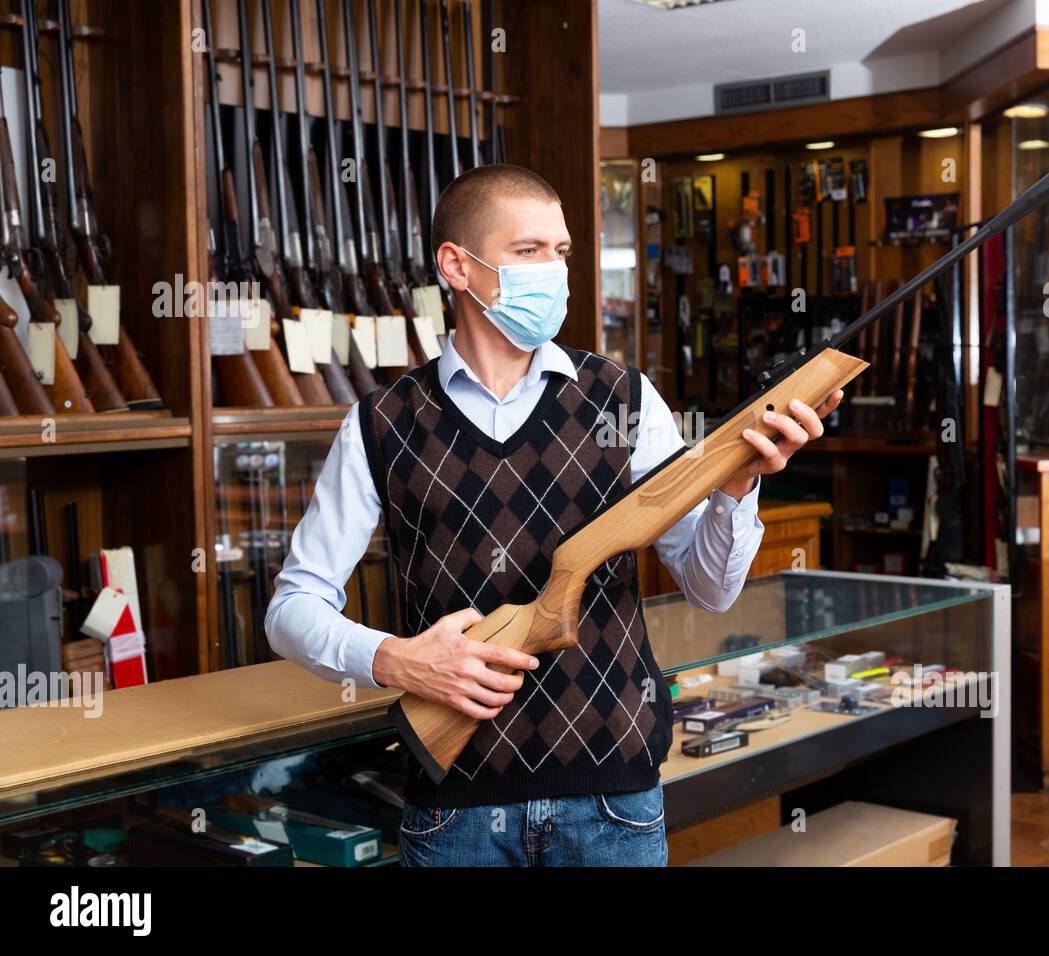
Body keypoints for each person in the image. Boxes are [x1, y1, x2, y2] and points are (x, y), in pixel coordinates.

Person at [266, 164, 842, 867]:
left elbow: (711, 589)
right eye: (528, 252)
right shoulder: (381, 423)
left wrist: (736, 486)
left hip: (613, 802)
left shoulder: (623, 399)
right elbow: (292, 607)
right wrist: (397, 660)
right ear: (457, 266)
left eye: (561, 253)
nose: (553, 272)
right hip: (456, 812)